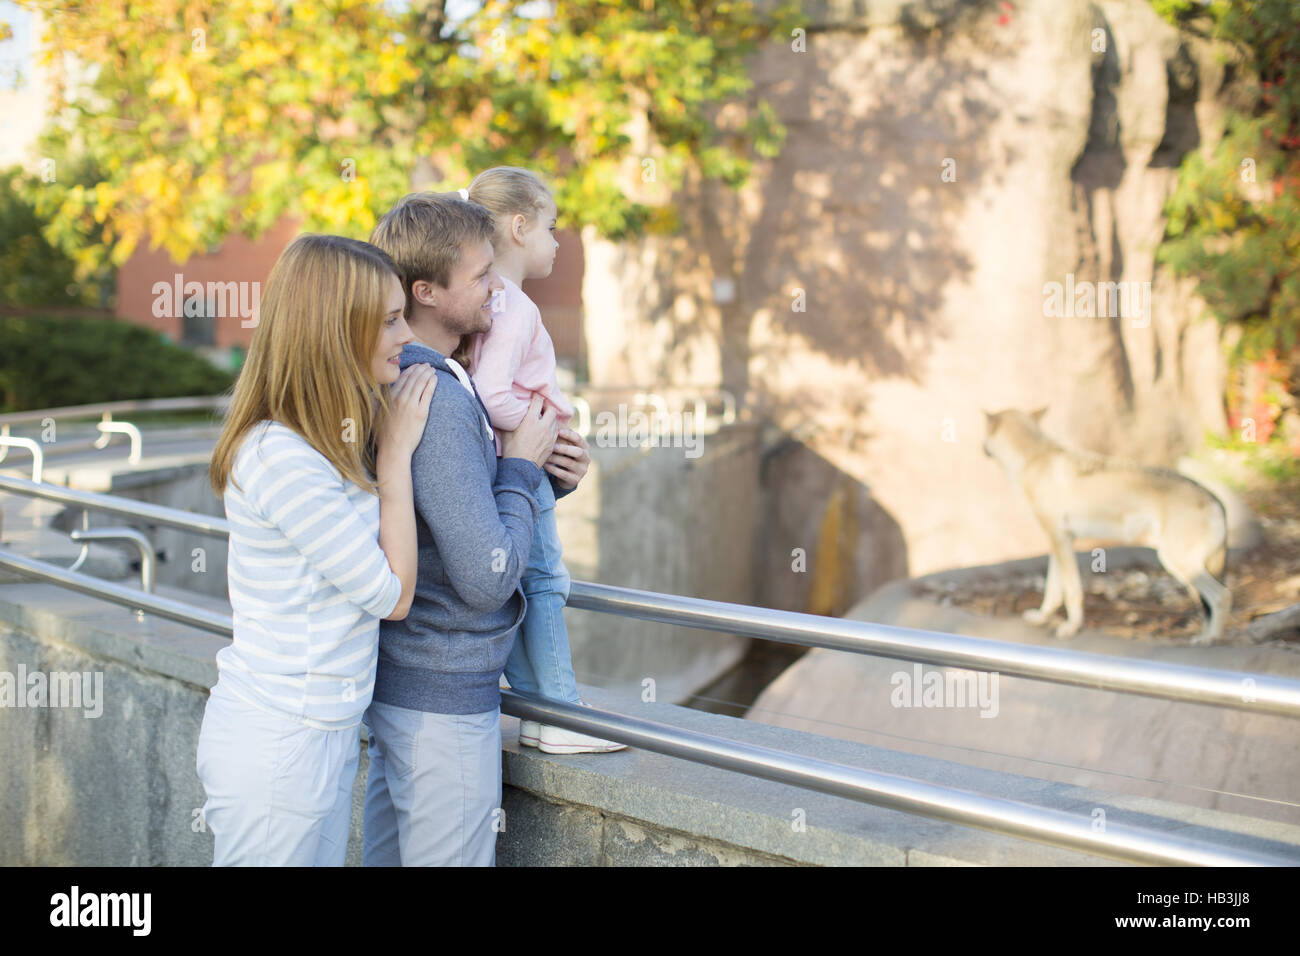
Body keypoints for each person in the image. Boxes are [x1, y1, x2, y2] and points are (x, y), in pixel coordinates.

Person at [364, 192, 592, 866]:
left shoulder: (426, 379)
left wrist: (543, 477)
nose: (499, 288)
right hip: (441, 701)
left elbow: (450, 508)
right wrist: (521, 468)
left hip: (407, 689)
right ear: (427, 292)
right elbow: (488, 574)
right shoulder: (431, 393)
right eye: (482, 276)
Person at [196, 233, 437, 866]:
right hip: (280, 744)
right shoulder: (280, 458)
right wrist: (395, 458)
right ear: (336, 329)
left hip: (321, 733)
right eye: (389, 320)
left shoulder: (322, 442)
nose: (407, 334)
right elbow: (394, 595)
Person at [460, 167, 624, 754]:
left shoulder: (490, 300)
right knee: (548, 581)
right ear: (520, 225)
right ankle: (560, 712)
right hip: (523, 469)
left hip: (511, 468)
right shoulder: (516, 307)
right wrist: (544, 434)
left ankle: (534, 710)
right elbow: (489, 390)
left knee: (526, 585)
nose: (558, 242)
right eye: (552, 229)